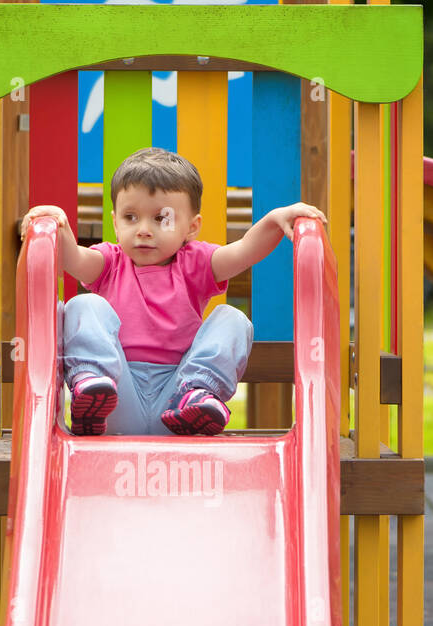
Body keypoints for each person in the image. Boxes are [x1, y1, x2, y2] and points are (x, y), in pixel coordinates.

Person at [20, 147, 326, 436]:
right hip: (116, 395)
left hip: (177, 400)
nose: (143, 229)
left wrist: (274, 219)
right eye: (130, 217)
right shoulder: (109, 262)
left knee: (233, 318)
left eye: (161, 218)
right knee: (83, 305)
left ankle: (200, 391)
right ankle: (91, 383)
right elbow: (72, 257)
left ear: (191, 227)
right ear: (115, 222)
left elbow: (245, 251)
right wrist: (56, 224)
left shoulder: (195, 263)